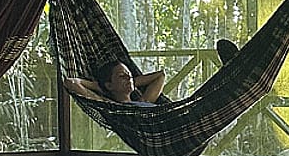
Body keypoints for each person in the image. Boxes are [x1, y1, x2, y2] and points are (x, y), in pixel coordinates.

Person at [63, 39, 240, 106]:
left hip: (175, 114)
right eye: (122, 76)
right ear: (109, 85)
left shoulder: (144, 100)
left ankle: (233, 74)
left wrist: (131, 82)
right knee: (204, 102)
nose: (128, 77)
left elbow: (160, 75)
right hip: (172, 126)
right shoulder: (113, 108)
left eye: (129, 75)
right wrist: (99, 87)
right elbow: (71, 82)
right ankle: (234, 75)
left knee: (202, 101)